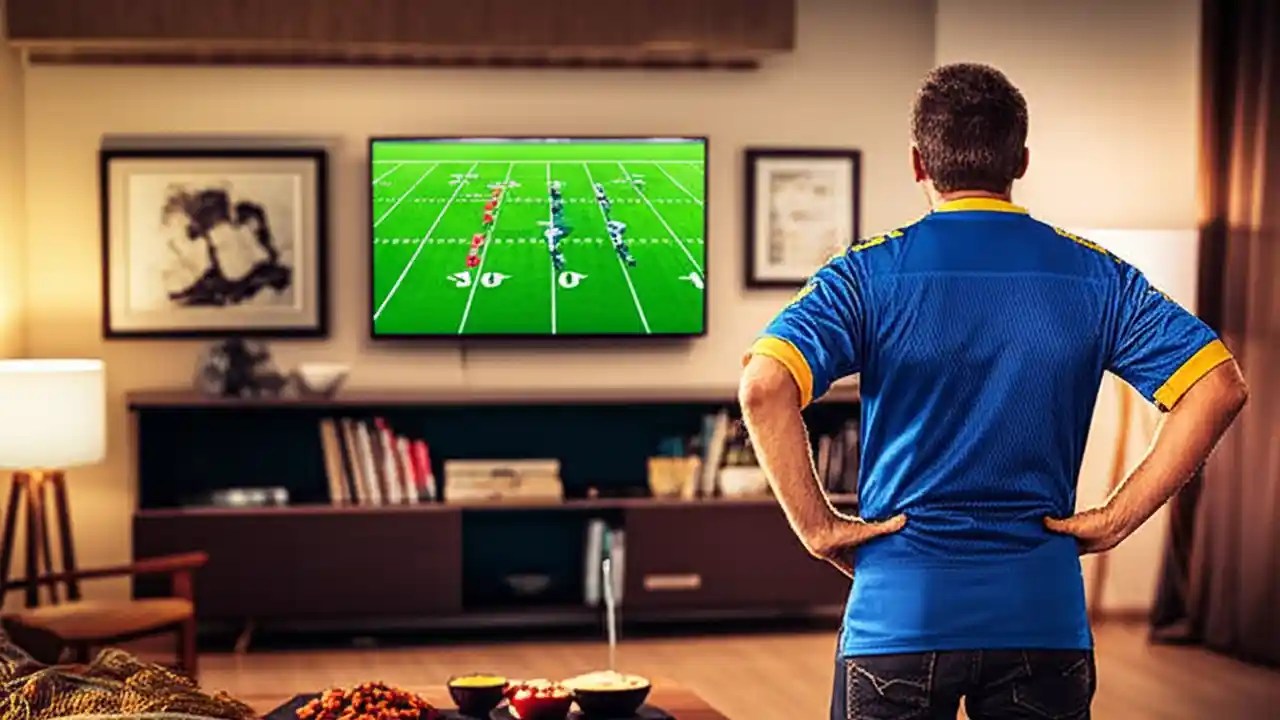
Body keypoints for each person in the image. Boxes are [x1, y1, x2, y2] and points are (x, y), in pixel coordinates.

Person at [738, 63, 1249, 720]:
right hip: (1042, 616)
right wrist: (1116, 518)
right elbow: (1219, 386)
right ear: (1022, 161)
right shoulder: (1099, 276)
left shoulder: (864, 273)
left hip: (899, 614)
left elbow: (763, 385)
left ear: (919, 164)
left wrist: (817, 529)